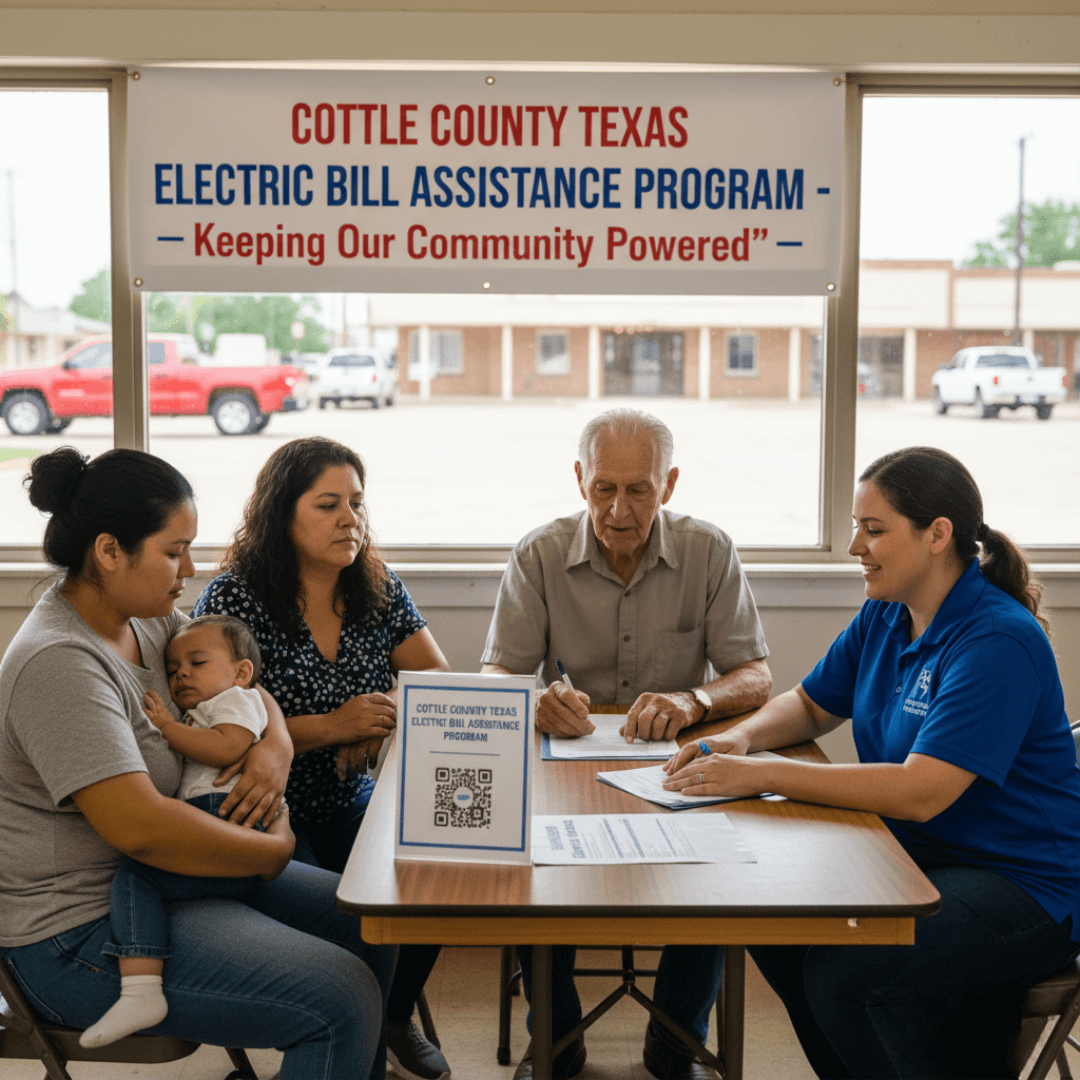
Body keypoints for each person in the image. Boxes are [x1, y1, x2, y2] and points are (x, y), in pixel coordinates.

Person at [663, 446, 1080, 1080]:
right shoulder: (887, 612)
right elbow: (808, 704)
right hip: (917, 852)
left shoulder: (998, 638)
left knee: (845, 974)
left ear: (938, 535)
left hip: (1024, 881)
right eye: (857, 526)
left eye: (874, 529)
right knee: (775, 925)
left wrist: (764, 774)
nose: (855, 544)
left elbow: (921, 791)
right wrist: (741, 740)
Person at [0, 446, 396, 1080]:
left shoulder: (148, 622)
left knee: (373, 921)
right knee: (340, 997)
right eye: (172, 550)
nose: (190, 567)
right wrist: (270, 852)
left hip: (170, 883)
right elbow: (142, 830)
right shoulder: (61, 664)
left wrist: (273, 749)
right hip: (79, 932)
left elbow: (243, 682)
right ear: (108, 551)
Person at [481, 407, 772, 1080]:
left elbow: (755, 675)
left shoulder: (709, 550)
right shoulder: (540, 551)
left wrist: (694, 699)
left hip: (678, 767)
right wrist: (536, 700)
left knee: (728, 871)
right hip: (564, 769)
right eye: (602, 488)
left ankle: (674, 1041)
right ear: (580, 480)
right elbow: (500, 674)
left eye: (637, 489)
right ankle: (556, 1039)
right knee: (522, 862)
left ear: (667, 485)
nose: (618, 508)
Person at [193, 435, 453, 1080]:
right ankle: (346, 1043)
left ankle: (389, 1017)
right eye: (328, 504)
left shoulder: (376, 585)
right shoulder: (236, 600)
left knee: (445, 872)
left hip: (353, 798)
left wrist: (380, 713)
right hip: (263, 810)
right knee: (335, 926)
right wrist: (336, 726)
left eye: (358, 505)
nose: (351, 520)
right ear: (284, 514)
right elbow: (216, 727)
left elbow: (435, 678)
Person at [81, 614, 273, 1048]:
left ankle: (140, 991)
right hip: (219, 816)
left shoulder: (235, 701)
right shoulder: (213, 701)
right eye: (173, 669)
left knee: (136, 879)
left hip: (221, 812)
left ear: (242, 672)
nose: (181, 673)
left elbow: (229, 746)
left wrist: (166, 727)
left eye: (197, 663)